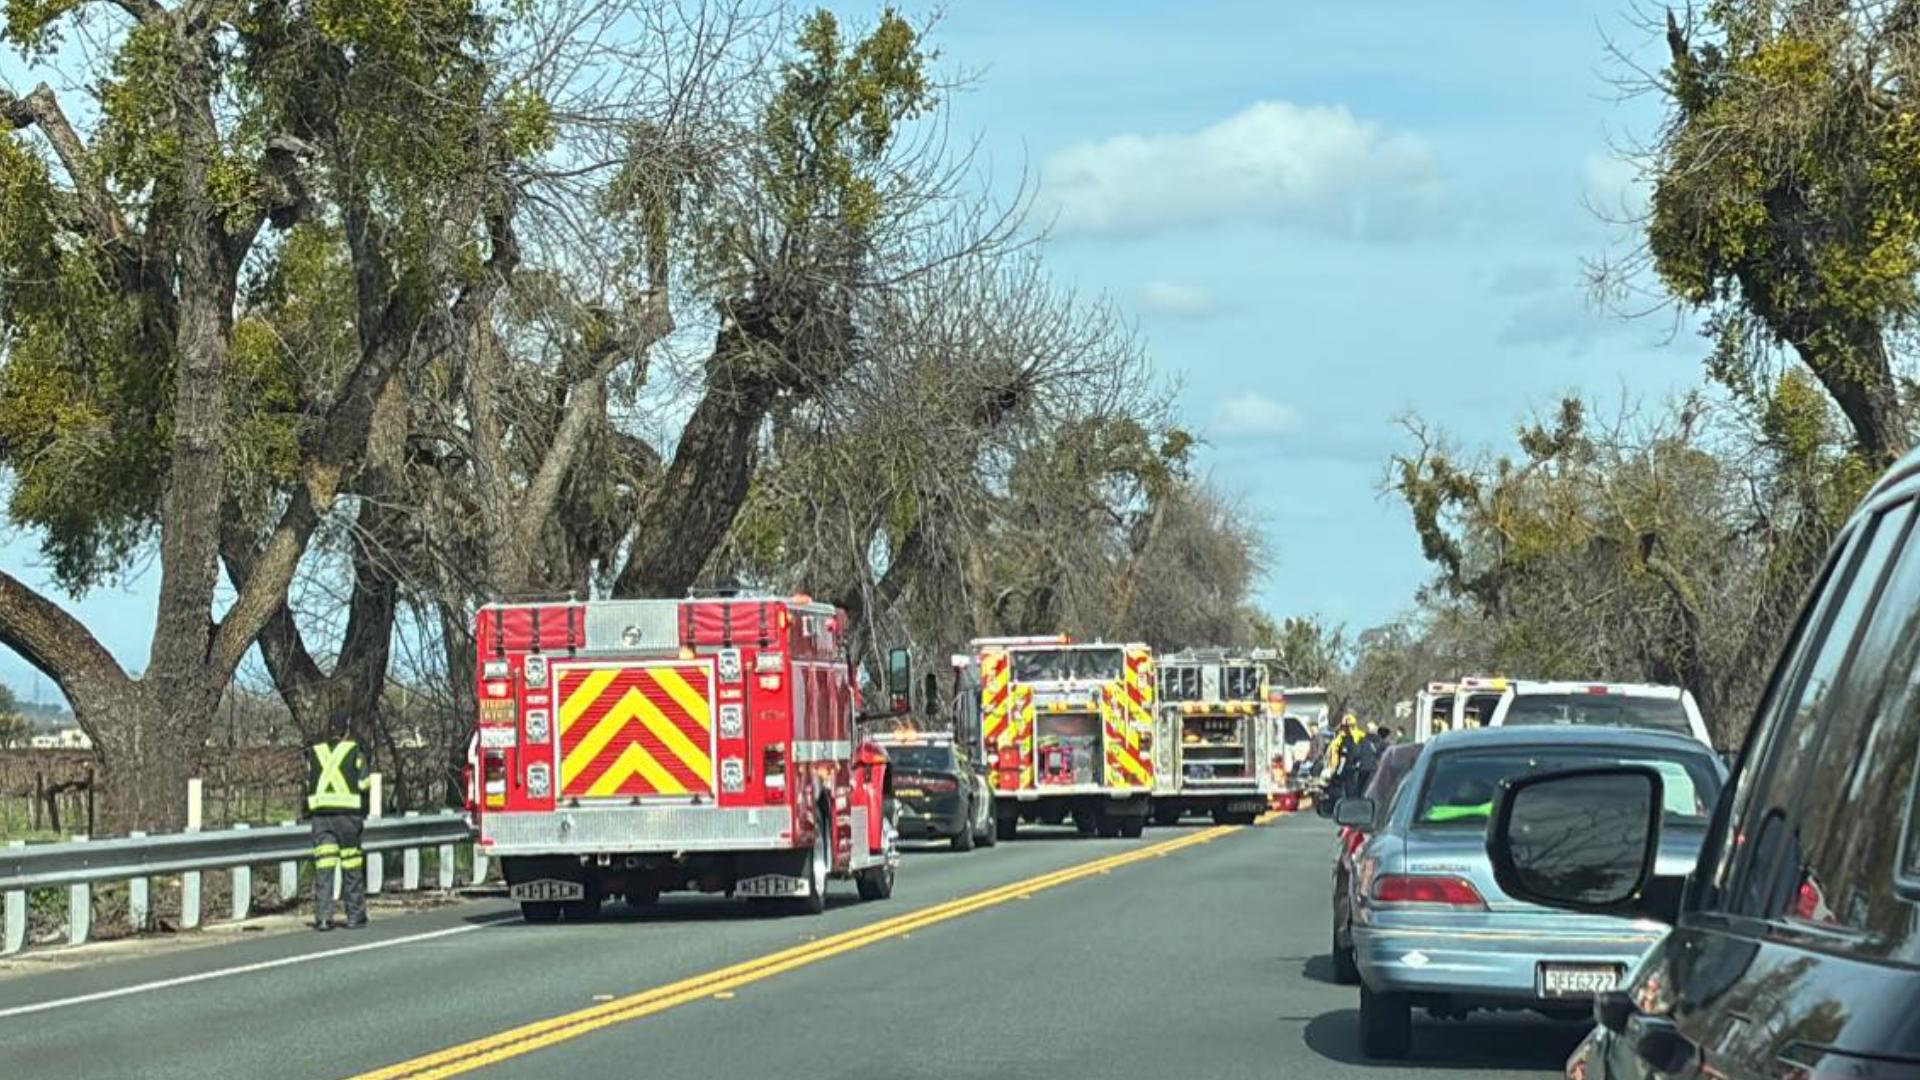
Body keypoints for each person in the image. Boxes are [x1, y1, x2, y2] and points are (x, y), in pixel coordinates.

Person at [306, 711, 372, 930]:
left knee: (324, 868)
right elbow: (364, 784)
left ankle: (323, 918)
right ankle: (355, 915)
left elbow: (309, 781)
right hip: (347, 817)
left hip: (320, 817)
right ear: (347, 729)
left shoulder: (315, 752)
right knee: (351, 865)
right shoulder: (354, 751)